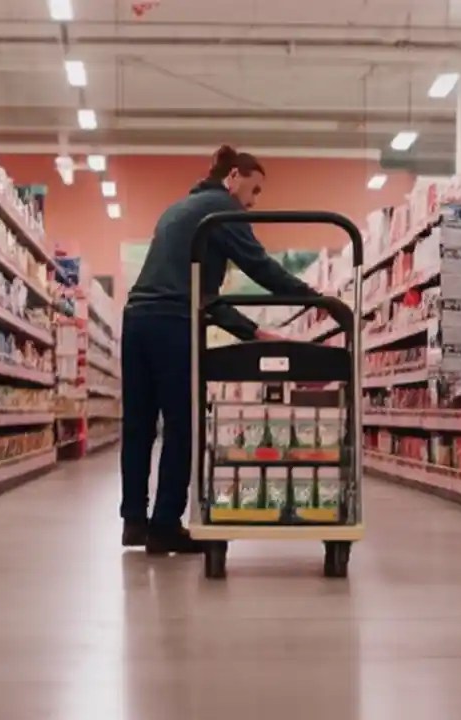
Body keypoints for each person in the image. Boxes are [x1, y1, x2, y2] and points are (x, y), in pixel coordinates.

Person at [121, 145, 319, 554]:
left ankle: (134, 522)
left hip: (137, 319)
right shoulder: (221, 212)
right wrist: (314, 297)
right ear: (234, 177)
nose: (253, 200)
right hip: (172, 324)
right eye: (254, 189)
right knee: (182, 425)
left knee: (138, 425)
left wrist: (251, 331)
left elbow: (202, 294)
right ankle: (164, 527)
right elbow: (260, 267)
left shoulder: (178, 209)